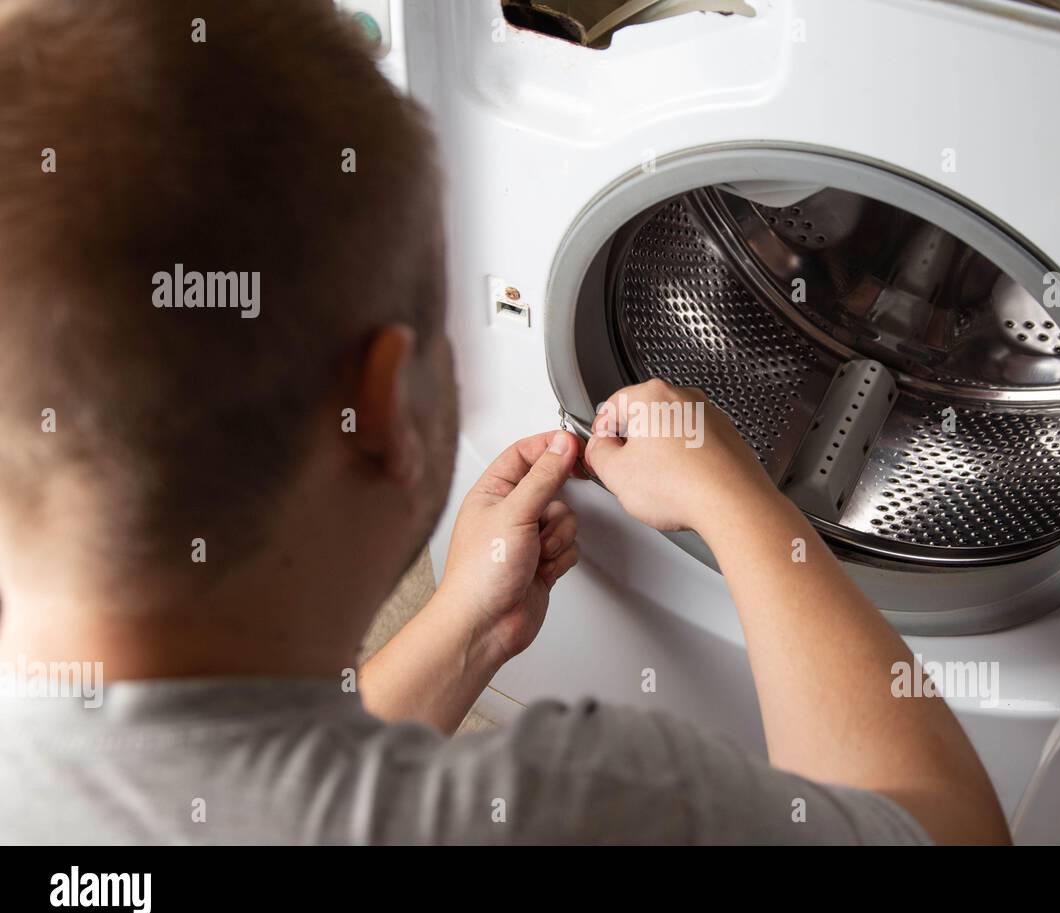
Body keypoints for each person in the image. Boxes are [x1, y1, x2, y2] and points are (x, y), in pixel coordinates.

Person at [0, 0, 1007, 845]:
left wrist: (463, 631)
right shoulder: (585, 803)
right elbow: (947, 833)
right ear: (388, 408)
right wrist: (742, 506)